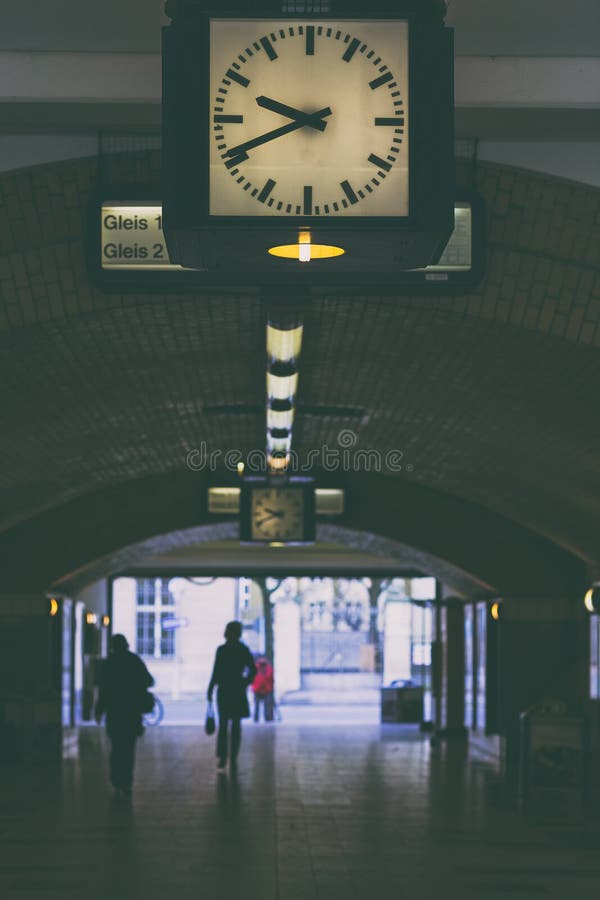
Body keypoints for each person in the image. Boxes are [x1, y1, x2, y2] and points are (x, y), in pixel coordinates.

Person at [94, 634, 154, 796]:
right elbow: (149, 681)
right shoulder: (134, 661)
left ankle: (116, 780)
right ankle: (126, 782)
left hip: (115, 711)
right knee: (128, 748)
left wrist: (99, 710)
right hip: (131, 711)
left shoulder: (109, 664)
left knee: (116, 747)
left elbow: (103, 690)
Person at [207, 621, 256, 770]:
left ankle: (223, 757)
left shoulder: (221, 650)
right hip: (237, 690)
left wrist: (210, 688)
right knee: (235, 725)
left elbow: (216, 671)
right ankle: (233, 757)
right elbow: (253, 670)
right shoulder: (243, 650)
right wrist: (244, 682)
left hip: (224, 690)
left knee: (223, 724)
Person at [252, 656, 275, 722]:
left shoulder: (268, 668)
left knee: (266, 704)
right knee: (257, 705)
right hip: (258, 688)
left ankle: (267, 717)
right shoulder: (256, 667)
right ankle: (257, 717)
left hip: (266, 689)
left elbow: (270, 678)